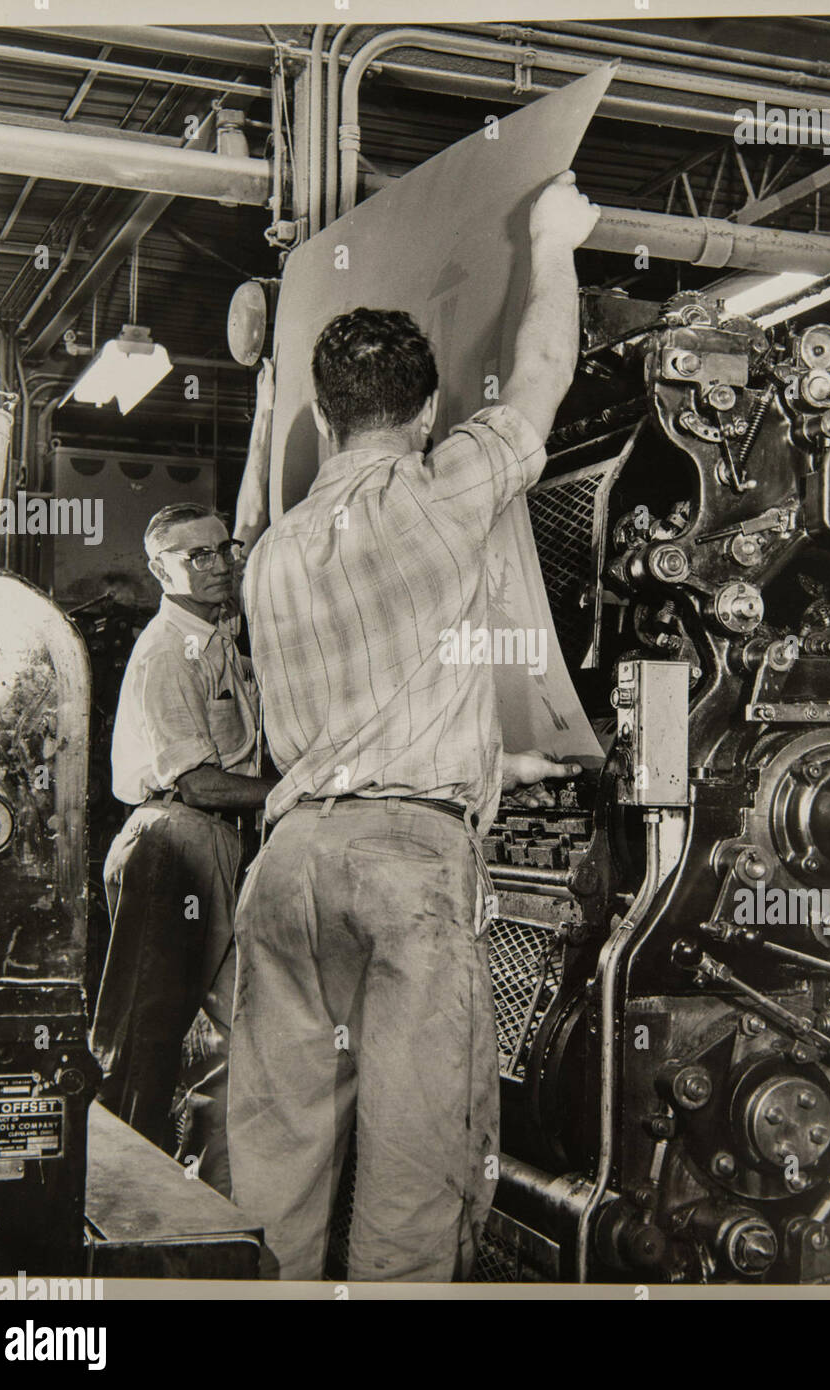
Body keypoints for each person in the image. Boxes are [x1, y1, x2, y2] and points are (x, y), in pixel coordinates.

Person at [228, 169, 599, 1279]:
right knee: (415, 1161)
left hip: (288, 865)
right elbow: (543, 369)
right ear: (426, 410)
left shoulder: (270, 554)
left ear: (326, 415)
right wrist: (552, 241)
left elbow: (367, 704)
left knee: (277, 1151)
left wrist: (504, 756)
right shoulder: (442, 494)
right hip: (408, 866)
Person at [90, 497, 276, 1192]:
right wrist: (301, 789)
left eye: (223, 549)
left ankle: (204, 1204)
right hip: (172, 843)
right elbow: (198, 782)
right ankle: (113, 1204)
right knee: (143, 1042)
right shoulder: (168, 650)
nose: (217, 565)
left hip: (220, 849)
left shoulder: (223, 641)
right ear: (158, 567)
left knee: (239, 1040)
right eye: (195, 555)